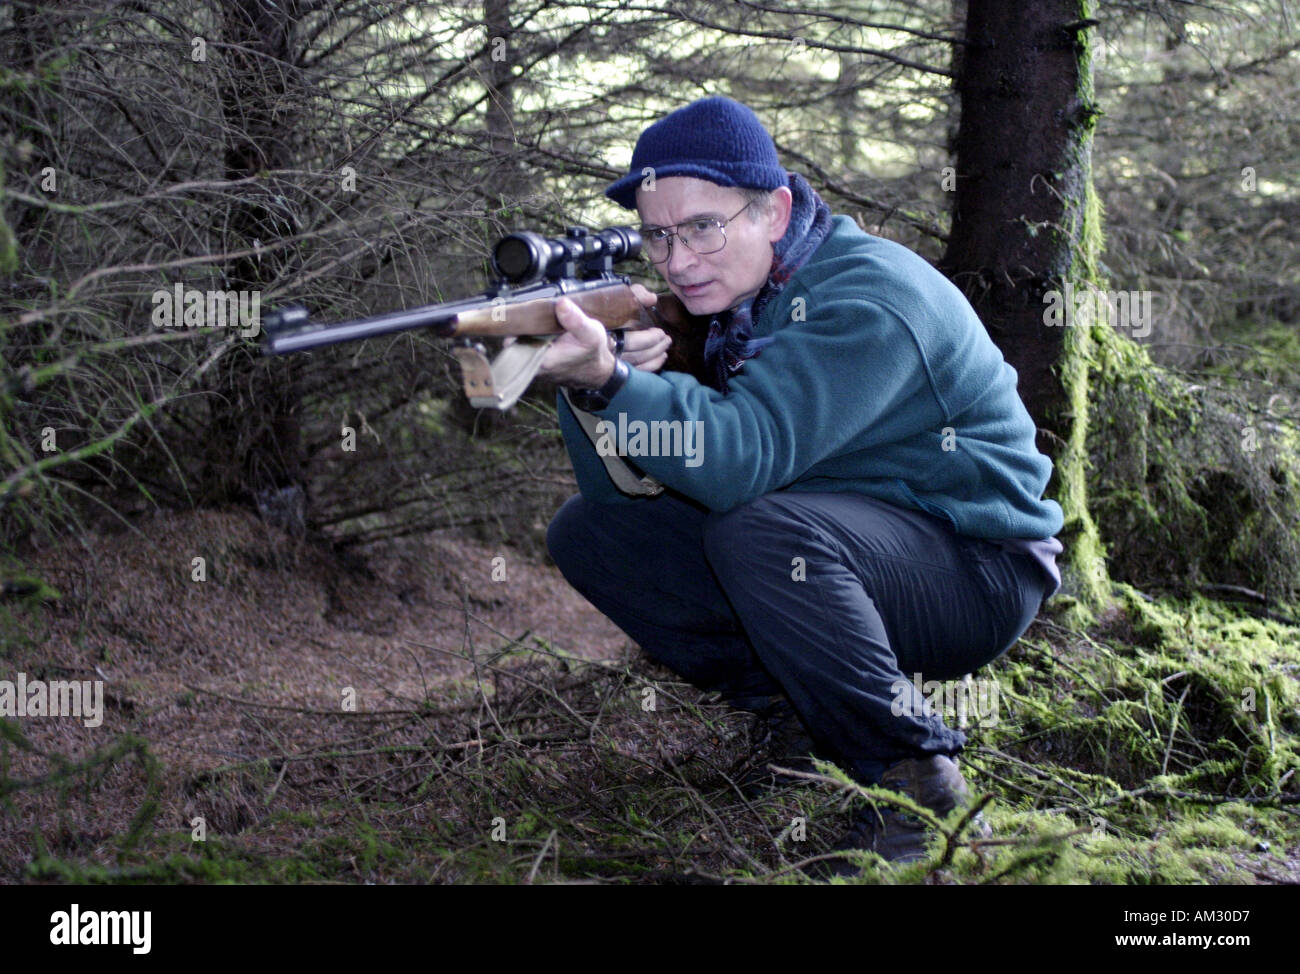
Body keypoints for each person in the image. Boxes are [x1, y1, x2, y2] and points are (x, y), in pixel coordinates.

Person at [537, 95, 1064, 877]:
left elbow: (742, 460)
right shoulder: (737, 309)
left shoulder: (866, 297)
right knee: (591, 533)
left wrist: (616, 379)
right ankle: (801, 713)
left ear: (775, 211)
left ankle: (915, 781)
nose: (678, 261)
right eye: (657, 235)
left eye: (703, 227)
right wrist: (592, 390)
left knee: (756, 532)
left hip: (978, 565)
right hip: (857, 544)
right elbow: (625, 500)